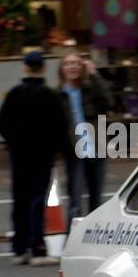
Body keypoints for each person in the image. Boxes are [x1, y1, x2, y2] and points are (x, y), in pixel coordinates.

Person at [0, 52, 74, 265]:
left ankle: (19, 248)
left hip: (19, 153)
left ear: (25, 67)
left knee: (19, 197)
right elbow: (61, 125)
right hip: (43, 154)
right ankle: (37, 246)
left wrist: (12, 141)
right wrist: (60, 149)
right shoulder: (49, 95)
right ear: (43, 68)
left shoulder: (14, 93)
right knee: (38, 197)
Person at [57, 50, 113, 223]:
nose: (72, 67)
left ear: (82, 67)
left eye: (75, 63)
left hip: (97, 150)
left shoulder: (90, 89)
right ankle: (71, 241)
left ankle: (95, 241)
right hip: (74, 154)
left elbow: (108, 102)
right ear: (62, 69)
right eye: (68, 63)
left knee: (96, 200)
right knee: (75, 202)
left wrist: (95, 74)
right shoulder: (57, 94)